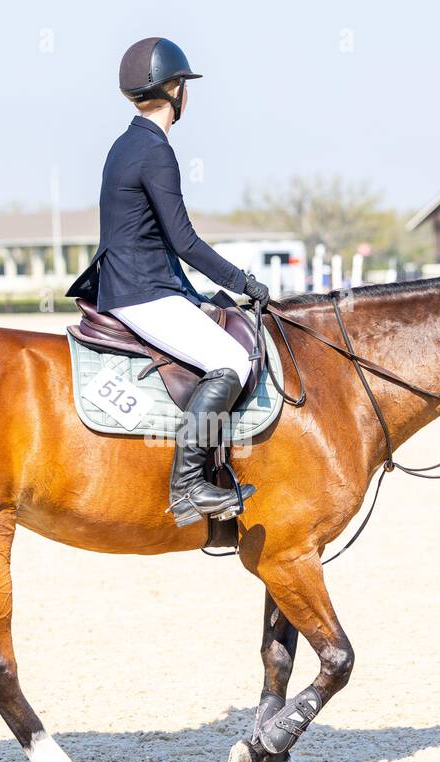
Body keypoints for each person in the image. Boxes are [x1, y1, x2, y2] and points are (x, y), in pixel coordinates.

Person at [67, 37, 270, 528]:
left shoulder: (125, 144)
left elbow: (150, 237)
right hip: (142, 292)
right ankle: (188, 485)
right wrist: (243, 281)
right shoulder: (155, 151)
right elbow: (184, 241)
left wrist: (195, 295)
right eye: (185, 85)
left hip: (137, 284)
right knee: (231, 360)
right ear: (176, 89)